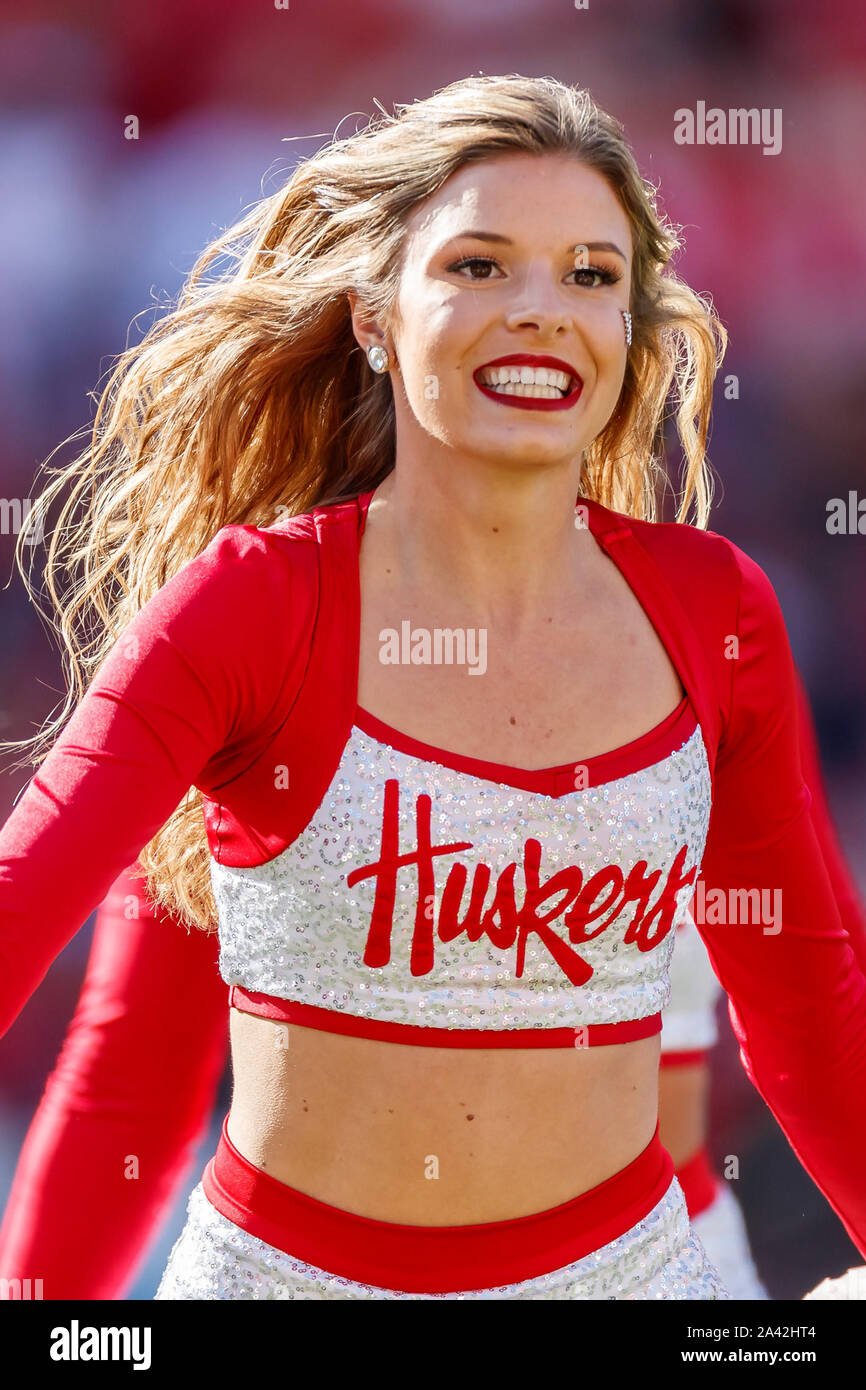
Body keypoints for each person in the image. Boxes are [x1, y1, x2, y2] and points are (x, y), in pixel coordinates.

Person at [1, 73, 865, 1300]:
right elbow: (43, 942)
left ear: (631, 327)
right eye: (476, 266)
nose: (539, 312)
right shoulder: (253, 606)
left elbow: (812, 1015)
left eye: (589, 275)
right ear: (372, 314)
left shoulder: (714, 611)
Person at [1, 668, 861, 1301]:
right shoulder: (255, 639)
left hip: (663, 1276)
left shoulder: (707, 620)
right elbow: (131, 1084)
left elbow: (826, 1015)